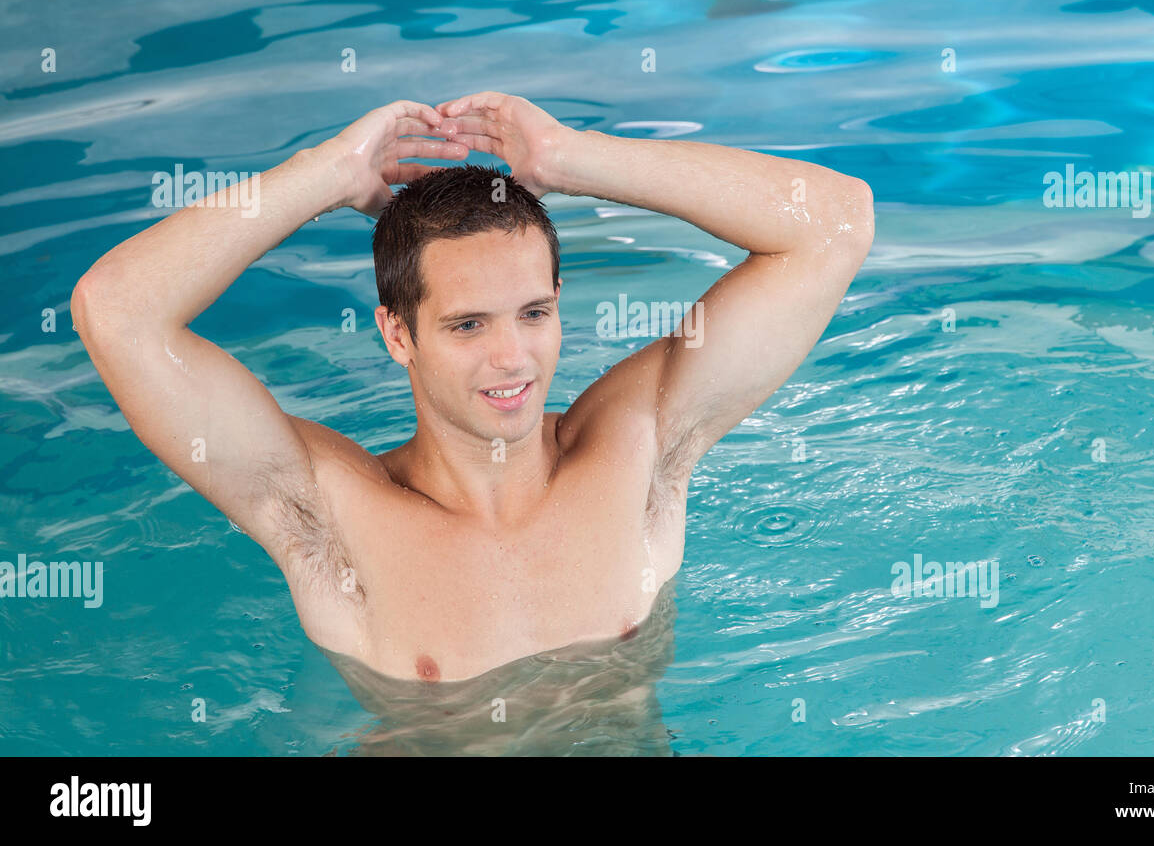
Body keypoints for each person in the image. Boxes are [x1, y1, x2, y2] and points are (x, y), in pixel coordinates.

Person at [73, 92, 874, 684]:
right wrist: (327, 174)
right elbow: (116, 314)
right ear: (397, 335)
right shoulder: (329, 511)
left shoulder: (639, 446)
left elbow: (833, 223)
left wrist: (570, 156)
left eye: (534, 312)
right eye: (467, 326)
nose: (512, 359)